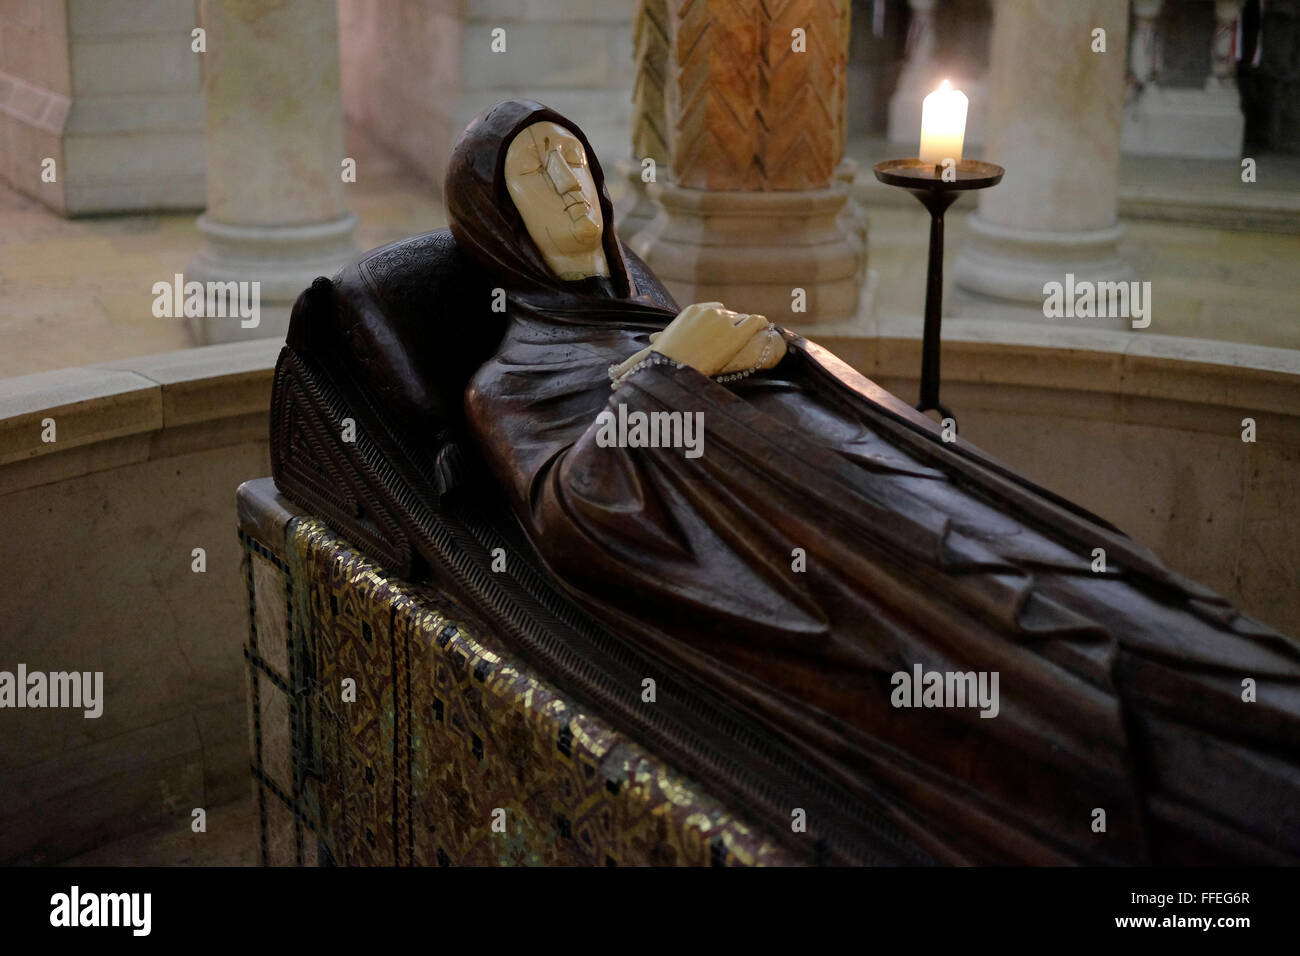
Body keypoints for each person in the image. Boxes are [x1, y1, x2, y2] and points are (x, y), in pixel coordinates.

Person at [445, 99, 1300, 864]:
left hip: (886, 474)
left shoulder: (644, 306)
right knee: (1028, 648)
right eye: (534, 171)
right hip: (821, 548)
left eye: (573, 159)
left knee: (1093, 583)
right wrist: (670, 371)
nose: (568, 184)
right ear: (496, 220)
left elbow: (785, 381)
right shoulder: (514, 377)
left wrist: (782, 351)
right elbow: (572, 519)